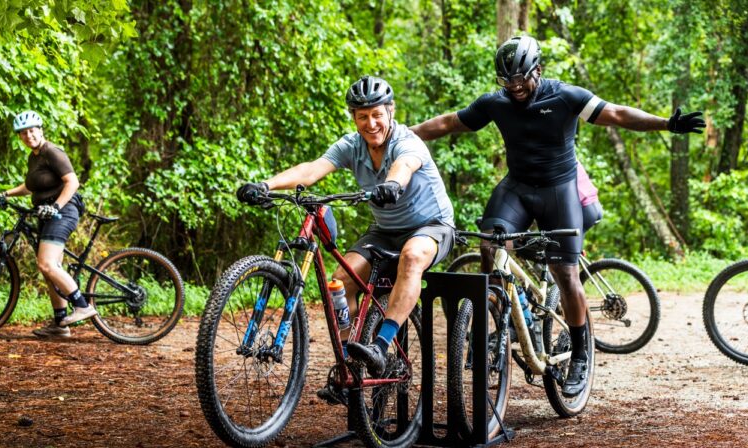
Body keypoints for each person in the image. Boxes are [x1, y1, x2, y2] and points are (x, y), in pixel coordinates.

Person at [411, 35, 704, 397]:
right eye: (508, 82)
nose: (516, 88)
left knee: (565, 272)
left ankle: (580, 353)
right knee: (489, 246)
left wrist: (665, 124)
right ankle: (502, 320)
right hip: (517, 188)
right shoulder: (495, 102)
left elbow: (615, 113)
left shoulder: (566, 96)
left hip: (558, 191)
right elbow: (447, 123)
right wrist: (401, 137)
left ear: (539, 69)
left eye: (522, 79)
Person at [238, 76, 455, 395]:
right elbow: (311, 170)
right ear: (354, 117)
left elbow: (405, 166)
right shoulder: (351, 146)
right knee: (340, 281)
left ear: (391, 111)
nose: (371, 123)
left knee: (411, 258)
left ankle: (381, 346)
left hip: (431, 226)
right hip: (385, 231)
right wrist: (266, 185)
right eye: (362, 116)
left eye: (377, 114)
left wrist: (392, 185)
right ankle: (349, 360)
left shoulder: (407, 142)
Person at [0, 110, 95, 338]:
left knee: (46, 264)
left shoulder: (52, 151)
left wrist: (56, 207)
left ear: (40, 130)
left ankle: (82, 306)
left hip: (63, 211)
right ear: (20, 137)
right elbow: (31, 186)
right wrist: (6, 194)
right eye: (23, 133)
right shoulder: (34, 157)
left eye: (32, 130)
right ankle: (60, 325)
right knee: (51, 270)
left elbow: (73, 182)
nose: (29, 135)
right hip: (47, 213)